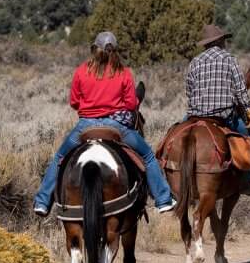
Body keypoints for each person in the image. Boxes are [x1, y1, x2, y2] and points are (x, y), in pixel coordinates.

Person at [33, 31, 177, 217]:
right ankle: (163, 200)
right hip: (115, 126)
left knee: (59, 158)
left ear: (95, 49)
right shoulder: (123, 73)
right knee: (148, 156)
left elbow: (74, 102)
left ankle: (43, 202)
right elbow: (131, 105)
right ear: (115, 51)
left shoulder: (82, 71)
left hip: (86, 126)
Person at [184, 23, 250, 195]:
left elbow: (189, 90)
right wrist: (249, 111)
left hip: (196, 115)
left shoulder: (195, 62)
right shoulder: (229, 59)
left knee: (176, 132)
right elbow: (241, 90)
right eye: (224, 40)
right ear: (219, 41)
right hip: (223, 115)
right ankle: (249, 177)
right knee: (248, 136)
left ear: (206, 44)